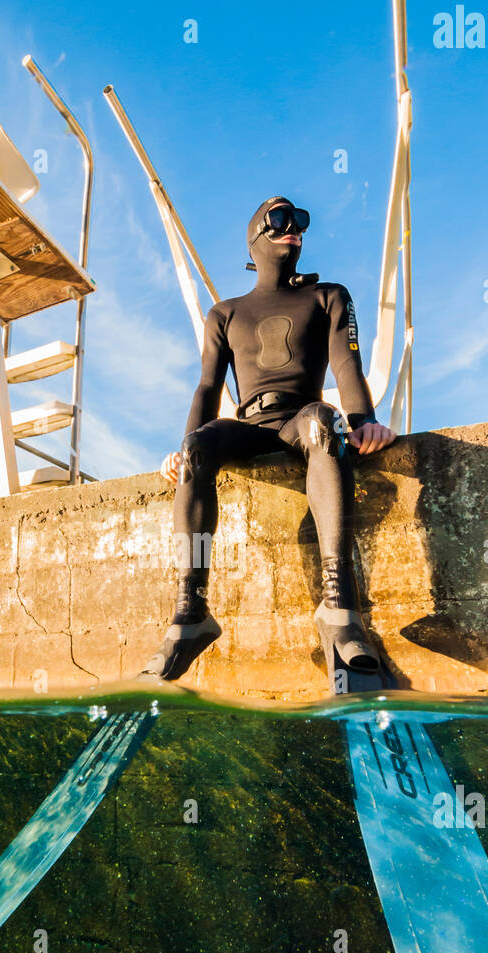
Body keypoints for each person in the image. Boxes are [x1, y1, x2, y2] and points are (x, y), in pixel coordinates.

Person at [141, 196, 396, 689]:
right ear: (255, 236)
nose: (293, 227)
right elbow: (207, 388)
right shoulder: (225, 313)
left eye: (299, 220)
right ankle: (190, 613)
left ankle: (340, 611)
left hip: (301, 419)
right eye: (279, 219)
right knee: (197, 446)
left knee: (327, 422)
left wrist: (364, 421)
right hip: (248, 425)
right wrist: (183, 446)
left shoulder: (329, 297)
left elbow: (346, 365)